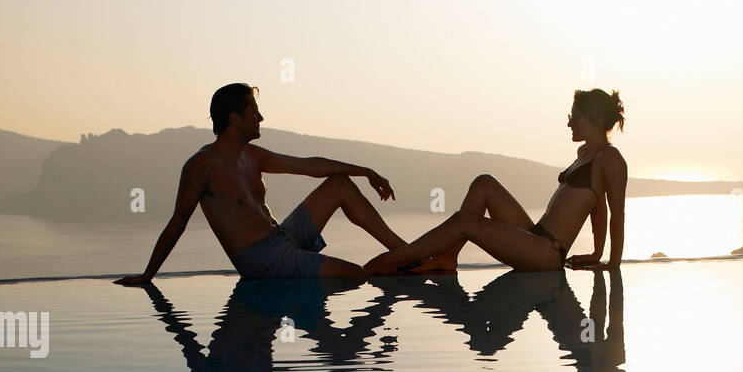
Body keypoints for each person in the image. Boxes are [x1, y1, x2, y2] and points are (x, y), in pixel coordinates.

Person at [115, 83, 405, 284]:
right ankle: (385, 269)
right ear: (234, 118)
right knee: (355, 275)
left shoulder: (252, 155)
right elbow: (178, 222)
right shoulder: (201, 167)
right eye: (254, 111)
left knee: (339, 184)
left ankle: (406, 254)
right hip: (261, 260)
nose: (261, 118)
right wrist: (148, 274)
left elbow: (308, 166)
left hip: (282, 238)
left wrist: (366, 171)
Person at [363, 89, 627, 275]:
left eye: (576, 117)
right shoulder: (584, 154)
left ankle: (390, 260)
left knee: (465, 222)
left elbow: (615, 213)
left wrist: (610, 262)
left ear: (598, 120)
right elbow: (598, 206)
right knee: (484, 184)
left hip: (546, 252)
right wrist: (595, 252)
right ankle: (447, 257)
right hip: (536, 236)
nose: (570, 123)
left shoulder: (610, 159)